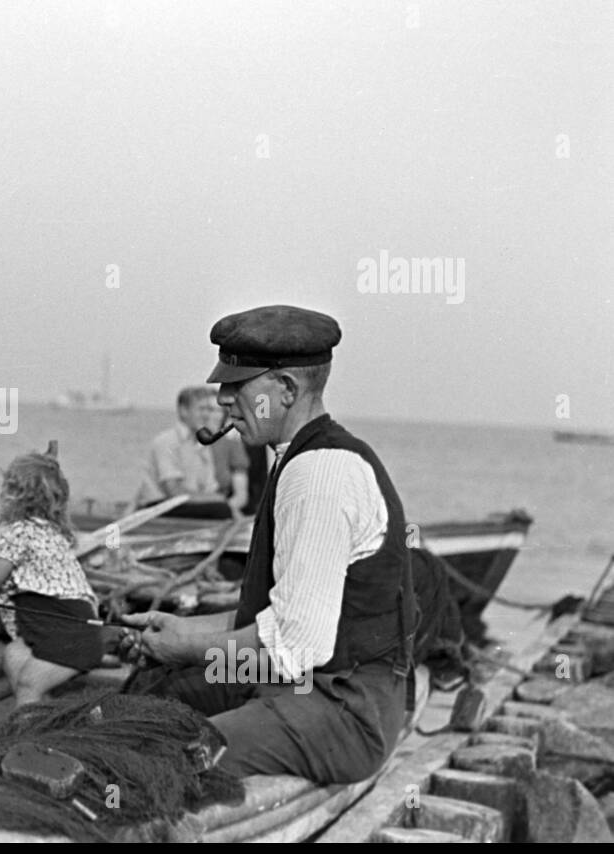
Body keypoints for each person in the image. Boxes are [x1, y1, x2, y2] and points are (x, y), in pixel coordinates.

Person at [122, 305, 416, 785]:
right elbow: (275, 619)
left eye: (238, 386)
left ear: (286, 389)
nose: (223, 400)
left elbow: (293, 649)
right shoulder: (299, 458)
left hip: (342, 712)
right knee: (153, 695)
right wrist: (184, 631)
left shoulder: (317, 474)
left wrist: (186, 650)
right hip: (303, 685)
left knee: (160, 762)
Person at [0, 452, 102, 706]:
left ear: (13, 496)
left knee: (29, 684)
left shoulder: (19, 532)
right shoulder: (54, 533)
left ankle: (25, 740)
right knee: (13, 655)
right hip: (57, 625)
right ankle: (46, 720)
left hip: (68, 629)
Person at [134, 386, 221, 508]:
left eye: (209, 410)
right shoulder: (167, 441)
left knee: (221, 507)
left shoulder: (201, 445)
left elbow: (210, 488)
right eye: (201, 409)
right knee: (221, 508)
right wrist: (216, 500)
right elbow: (173, 490)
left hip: (186, 505)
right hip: (159, 507)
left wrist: (217, 499)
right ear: (183, 411)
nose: (206, 415)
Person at [203, 386, 250, 514]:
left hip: (219, 508)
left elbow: (241, 497)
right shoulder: (188, 443)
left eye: (217, 411)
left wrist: (220, 509)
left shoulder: (232, 444)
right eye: (208, 409)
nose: (211, 415)